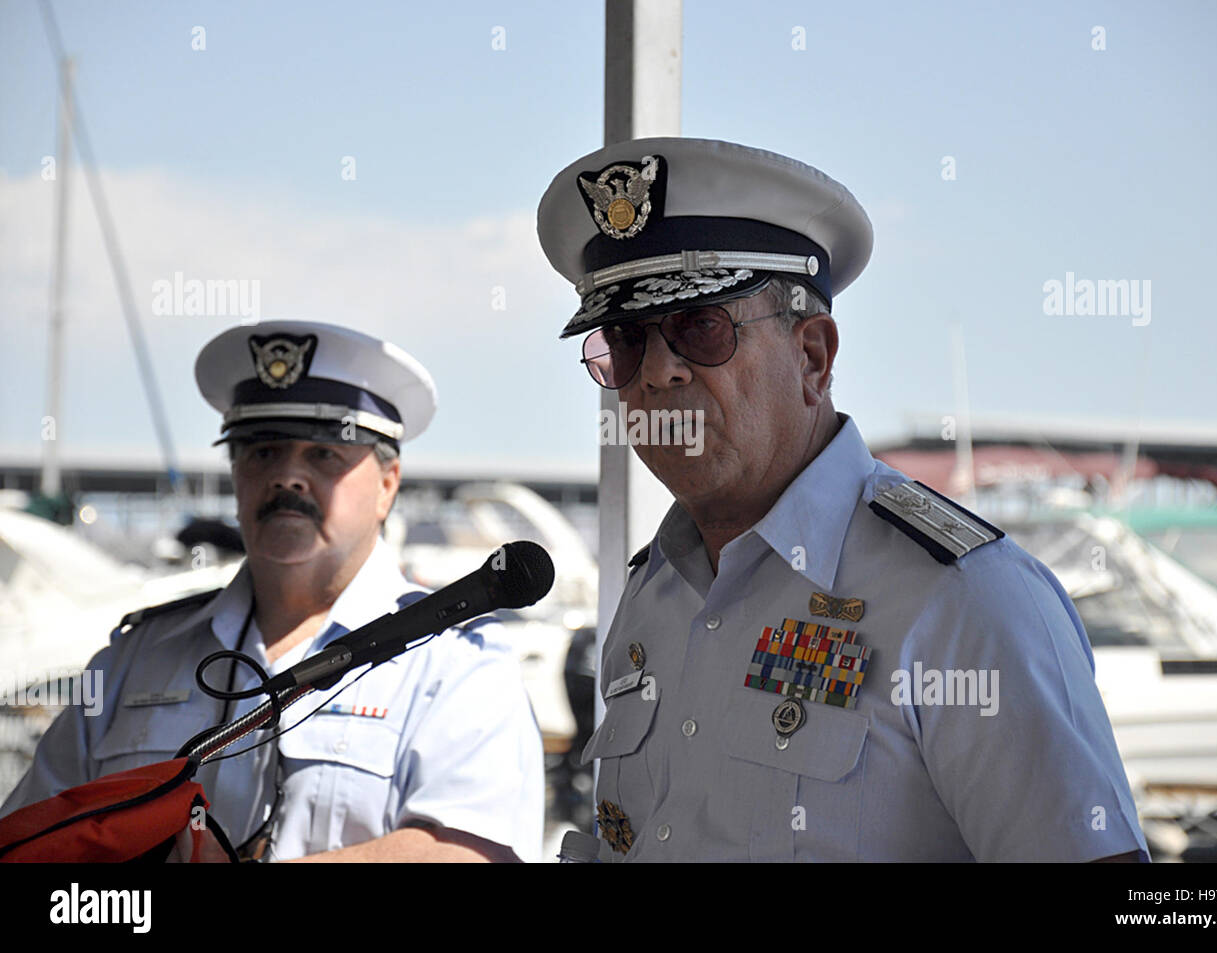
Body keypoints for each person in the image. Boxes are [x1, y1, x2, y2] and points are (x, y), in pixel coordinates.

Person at [536, 138, 1149, 862]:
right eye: (627, 342)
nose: (659, 374)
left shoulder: (964, 600)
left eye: (701, 329)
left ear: (813, 357)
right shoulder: (654, 594)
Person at [1, 320, 544, 862]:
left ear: (387, 483)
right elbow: (35, 837)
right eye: (262, 451)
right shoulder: (134, 659)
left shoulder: (455, 662)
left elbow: (466, 854)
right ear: (235, 473)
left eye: (323, 455)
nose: (287, 477)